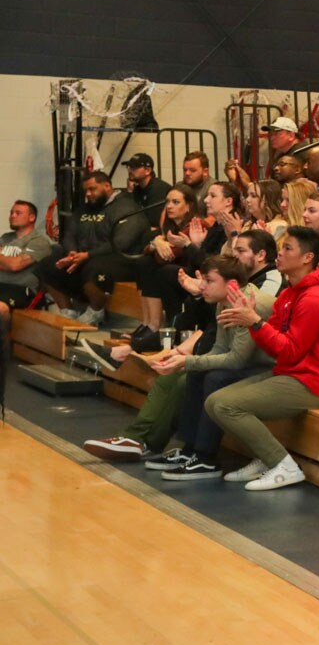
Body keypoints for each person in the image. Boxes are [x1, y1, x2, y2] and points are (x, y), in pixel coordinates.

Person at [204, 226, 319, 492]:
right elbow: (273, 345)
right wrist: (250, 321)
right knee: (214, 401)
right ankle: (266, 458)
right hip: (291, 374)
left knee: (225, 405)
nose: (279, 254)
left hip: (313, 383)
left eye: (287, 248)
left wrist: (255, 322)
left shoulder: (316, 298)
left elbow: (289, 350)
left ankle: (284, 466)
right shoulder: (290, 293)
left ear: (307, 258)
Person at [116, 256, 275, 479]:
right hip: (250, 363)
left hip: (270, 369)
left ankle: (206, 458)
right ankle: (190, 450)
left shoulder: (251, 303)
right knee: (198, 372)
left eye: (209, 281)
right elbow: (220, 348)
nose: (201, 286)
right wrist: (190, 363)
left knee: (215, 378)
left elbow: (237, 359)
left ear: (231, 284)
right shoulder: (223, 301)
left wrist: (188, 360)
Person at [37, 169, 149, 325]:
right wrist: (72, 253)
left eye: (92, 189)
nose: (88, 194)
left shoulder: (127, 208)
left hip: (118, 260)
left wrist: (87, 255)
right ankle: (68, 311)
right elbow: (69, 234)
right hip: (83, 257)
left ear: (107, 186)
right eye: (86, 190)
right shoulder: (84, 208)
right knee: (47, 264)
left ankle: (95, 311)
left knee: (93, 268)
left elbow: (122, 242)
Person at [134, 186, 203, 328]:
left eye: (175, 202)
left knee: (156, 267)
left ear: (189, 206)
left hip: (196, 273)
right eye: (167, 202)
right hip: (177, 270)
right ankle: (148, 323)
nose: (169, 206)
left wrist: (158, 243)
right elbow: (147, 251)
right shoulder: (173, 226)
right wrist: (157, 243)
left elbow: (166, 257)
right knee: (143, 262)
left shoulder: (196, 225)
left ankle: (155, 325)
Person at [0, 199, 52, 321]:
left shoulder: (39, 241)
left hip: (21, 289)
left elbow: (15, 265)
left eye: (18, 213)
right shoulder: (5, 238)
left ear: (31, 217)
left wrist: (7, 262)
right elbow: (11, 264)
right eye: (11, 212)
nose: (12, 216)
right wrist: (7, 262)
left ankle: (6, 334)